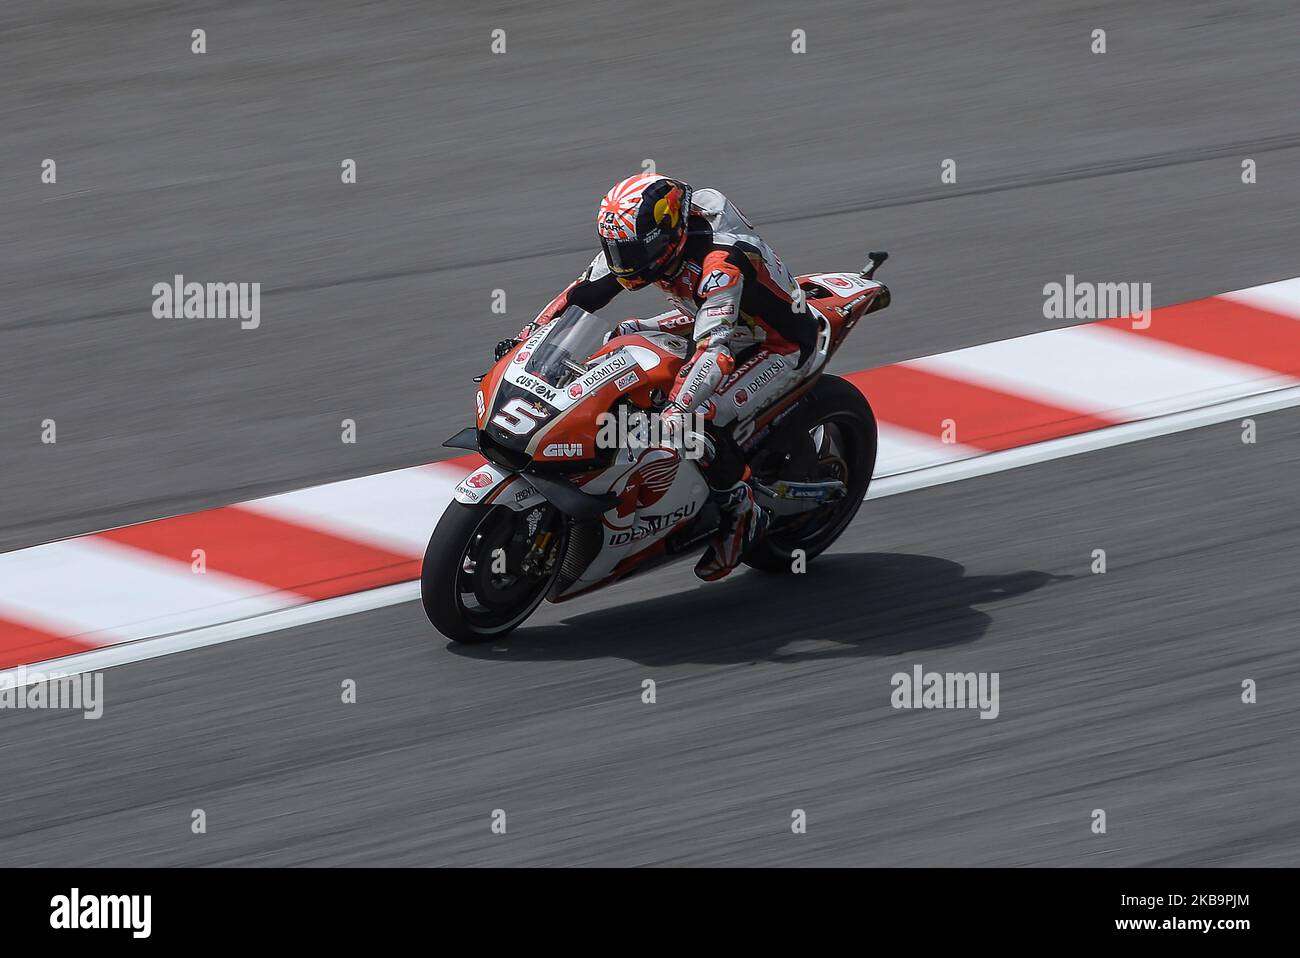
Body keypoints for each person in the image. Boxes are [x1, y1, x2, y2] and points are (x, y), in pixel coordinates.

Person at [495, 174, 818, 580]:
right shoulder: (644, 246)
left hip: (773, 343)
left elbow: (714, 351)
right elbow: (581, 295)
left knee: (701, 417)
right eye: (614, 248)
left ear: (670, 235)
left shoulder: (721, 265)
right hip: (704, 318)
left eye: (631, 249)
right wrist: (526, 339)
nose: (622, 261)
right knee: (622, 336)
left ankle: (742, 512)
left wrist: (678, 408)